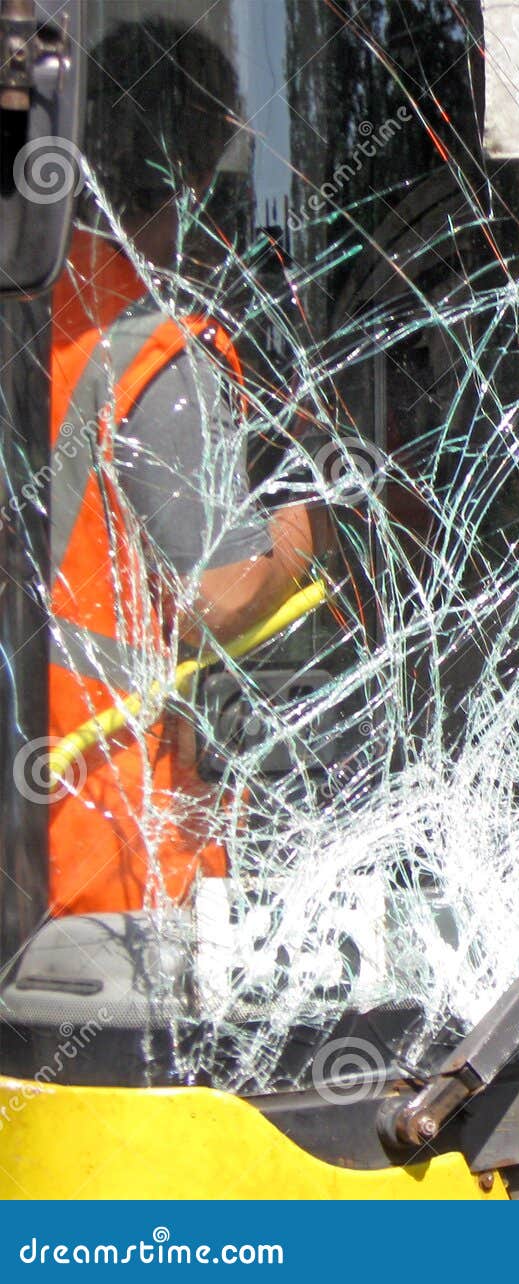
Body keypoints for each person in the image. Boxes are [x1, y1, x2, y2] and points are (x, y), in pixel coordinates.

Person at [48, 19, 320, 915]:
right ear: (196, 179)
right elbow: (223, 593)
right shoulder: (154, 354)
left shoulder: (42, 319)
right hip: (119, 859)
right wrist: (297, 519)